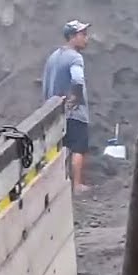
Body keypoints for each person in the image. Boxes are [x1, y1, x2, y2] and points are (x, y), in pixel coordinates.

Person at [42, 20, 92, 194]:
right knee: (78, 148)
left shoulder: (53, 57)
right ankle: (77, 185)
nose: (86, 38)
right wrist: (75, 99)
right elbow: (77, 79)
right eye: (83, 35)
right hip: (74, 113)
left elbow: (46, 84)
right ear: (72, 37)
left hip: (55, 113)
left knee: (59, 150)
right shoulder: (75, 57)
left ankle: (57, 186)